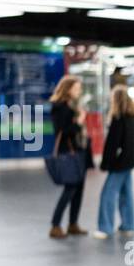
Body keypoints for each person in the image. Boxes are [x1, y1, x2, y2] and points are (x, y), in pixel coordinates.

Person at [95, 85, 134, 239]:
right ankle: (128, 225)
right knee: (126, 193)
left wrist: (105, 163)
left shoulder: (118, 118)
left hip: (119, 162)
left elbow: (112, 144)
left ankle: (105, 228)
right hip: (130, 160)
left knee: (107, 193)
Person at [48, 75, 91, 238]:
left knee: (79, 189)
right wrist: (79, 121)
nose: (79, 91)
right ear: (68, 89)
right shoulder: (60, 107)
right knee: (70, 189)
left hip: (79, 151)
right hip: (68, 152)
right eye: (76, 88)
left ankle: (73, 223)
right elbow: (63, 130)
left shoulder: (73, 105)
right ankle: (55, 225)